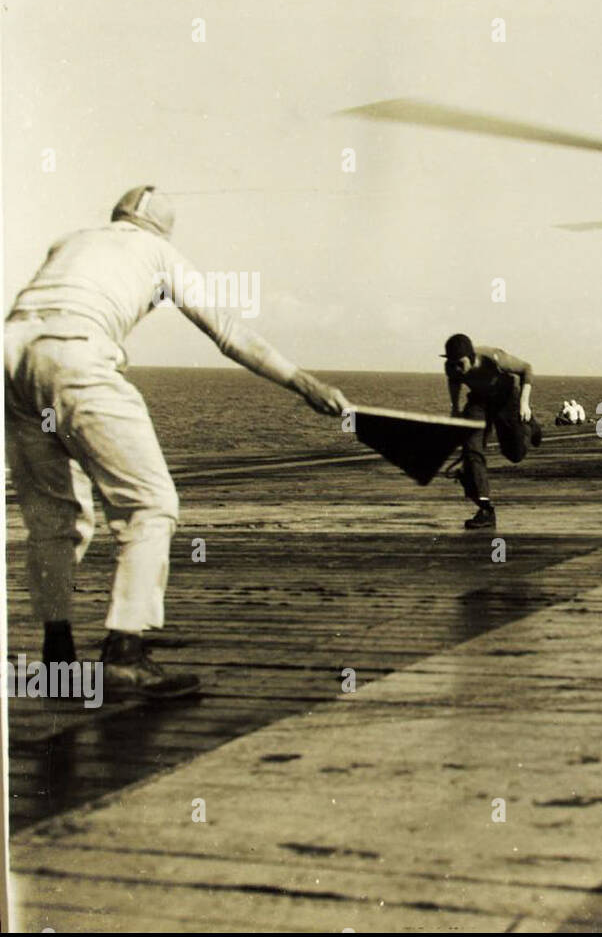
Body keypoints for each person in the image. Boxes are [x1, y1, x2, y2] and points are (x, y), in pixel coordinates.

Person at [4, 186, 349, 699]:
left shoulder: (71, 239)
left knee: (53, 520)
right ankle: (124, 652)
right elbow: (227, 332)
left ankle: (58, 658)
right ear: (163, 228)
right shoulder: (160, 253)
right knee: (150, 504)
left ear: (116, 215)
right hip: (76, 354)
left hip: (9, 357)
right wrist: (303, 382)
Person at [444, 333, 543, 529]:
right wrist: (455, 409)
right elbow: (453, 381)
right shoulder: (452, 367)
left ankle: (530, 426)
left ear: (472, 358)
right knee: (472, 448)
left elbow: (526, 369)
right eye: (452, 363)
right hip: (479, 402)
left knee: (514, 454)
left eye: (460, 363)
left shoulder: (494, 358)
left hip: (506, 399)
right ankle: (485, 509)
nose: (457, 368)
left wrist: (524, 404)